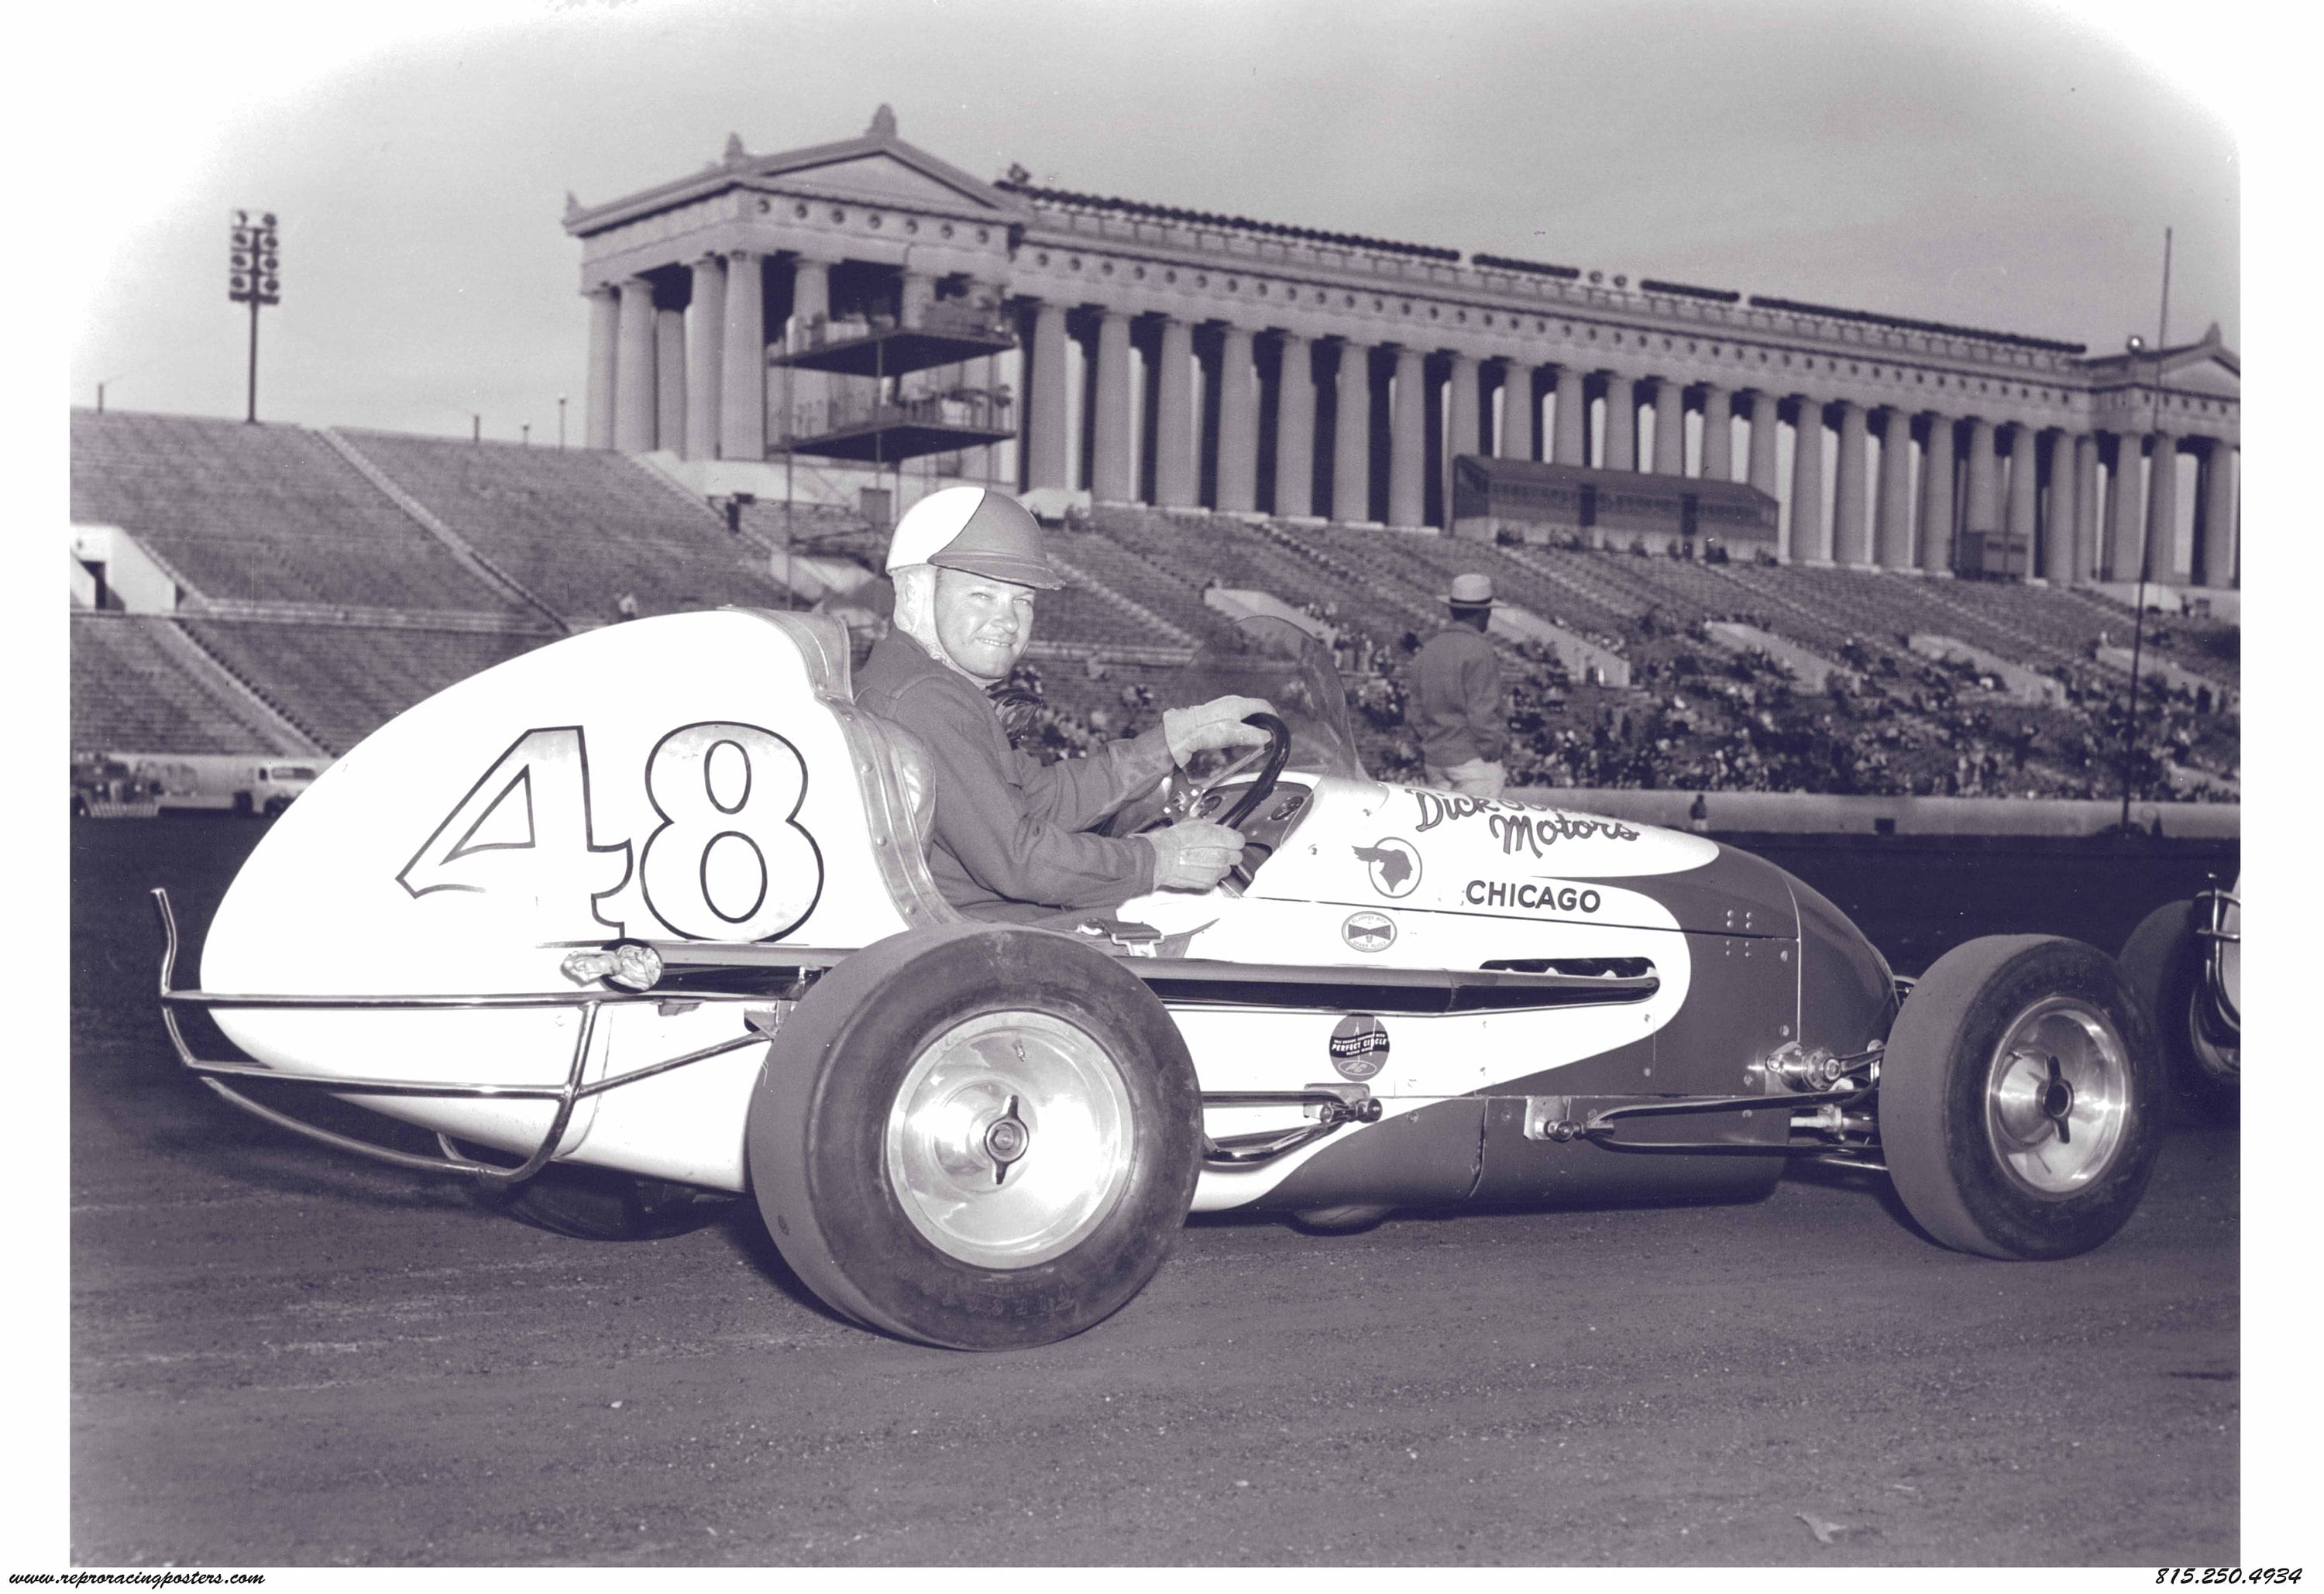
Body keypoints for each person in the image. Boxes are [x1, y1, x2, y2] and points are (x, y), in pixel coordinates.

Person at [854, 486, 1272, 924]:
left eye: (1023, 601)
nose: (1008, 620)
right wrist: (1158, 860)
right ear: (916, 592)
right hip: (985, 937)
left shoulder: (922, 684)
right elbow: (1023, 862)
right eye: (982, 595)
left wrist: (1169, 742)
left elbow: (1041, 800)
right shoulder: (927, 699)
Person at [1412, 572, 1509, 799]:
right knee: (1480, 829)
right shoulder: (1480, 650)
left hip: (1435, 760)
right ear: (1483, 612)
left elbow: (1415, 714)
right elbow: (1482, 714)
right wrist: (1493, 751)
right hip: (1471, 760)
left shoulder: (1429, 649)